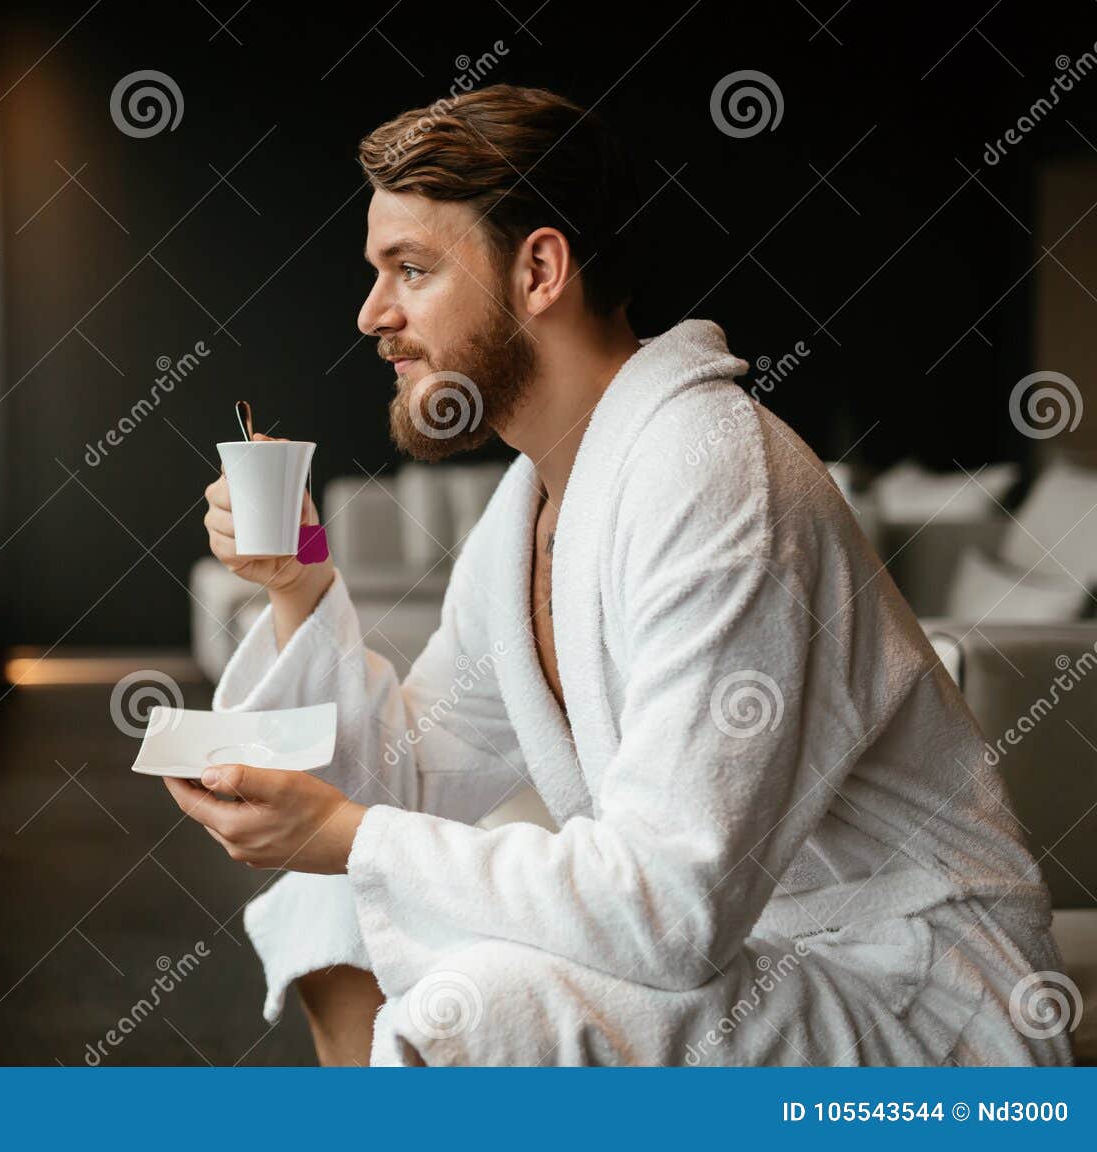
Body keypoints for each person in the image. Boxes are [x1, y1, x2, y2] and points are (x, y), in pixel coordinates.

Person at [166, 84, 1072, 1067]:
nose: (371, 314)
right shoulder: (527, 509)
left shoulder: (712, 473)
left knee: (486, 1002)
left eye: (411, 269)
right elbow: (416, 776)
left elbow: (674, 910)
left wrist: (354, 830)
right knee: (326, 888)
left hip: (909, 986)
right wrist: (297, 580)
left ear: (539, 270)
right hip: (742, 940)